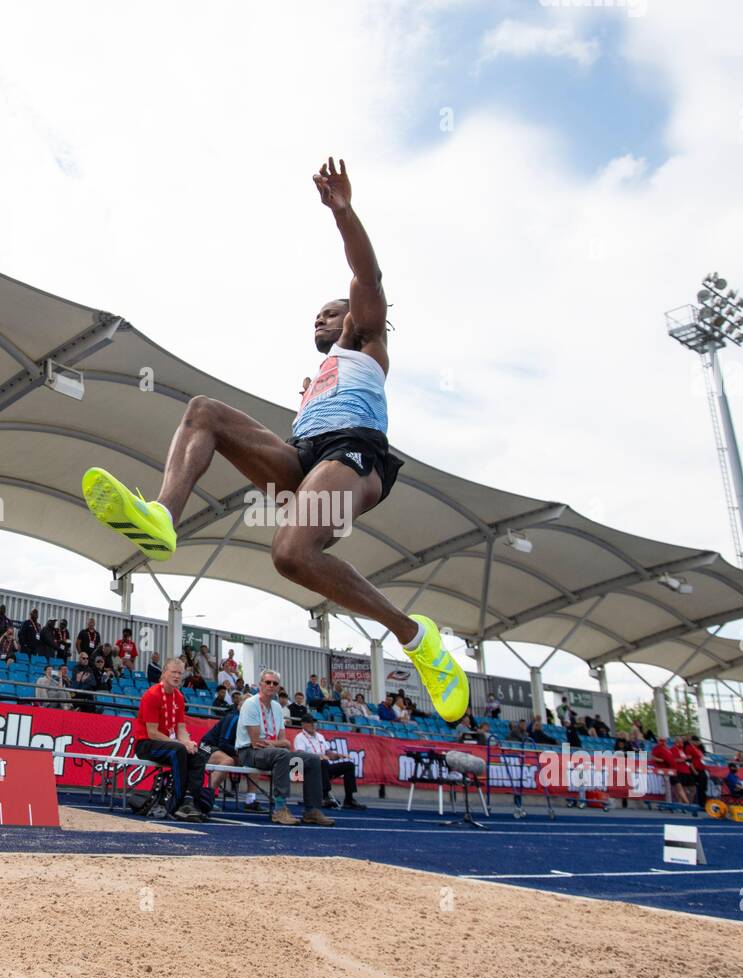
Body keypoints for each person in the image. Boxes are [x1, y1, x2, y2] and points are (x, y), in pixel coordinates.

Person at [82, 158, 468, 724]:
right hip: (307, 456)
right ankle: (163, 516)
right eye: (316, 313)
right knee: (204, 412)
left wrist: (343, 213)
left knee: (289, 553)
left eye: (329, 312)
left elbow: (369, 281)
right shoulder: (320, 378)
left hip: (354, 454)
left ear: (352, 320)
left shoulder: (364, 341)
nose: (321, 317)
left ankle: (416, 637)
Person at [235, 669, 333, 826]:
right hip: (249, 753)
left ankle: (312, 810)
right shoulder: (250, 704)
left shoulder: (277, 707)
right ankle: (279, 809)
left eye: (275, 683)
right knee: (282, 754)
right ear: (260, 684)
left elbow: (285, 741)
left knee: (313, 759)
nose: (271, 685)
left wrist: (275, 743)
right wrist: (279, 744)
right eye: (268, 682)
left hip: (272, 752)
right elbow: (256, 742)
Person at [133, 657, 210, 822]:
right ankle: (175, 803)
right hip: (145, 744)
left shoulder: (179, 697)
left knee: (198, 753)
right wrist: (181, 744)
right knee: (179, 751)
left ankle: (189, 801)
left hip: (169, 743)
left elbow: (181, 729)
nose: (177, 676)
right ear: (164, 673)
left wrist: (188, 742)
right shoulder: (152, 695)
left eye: (180, 673)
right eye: (173, 672)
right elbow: (152, 733)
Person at [294, 714, 365, 809]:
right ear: (303, 724)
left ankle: (349, 799)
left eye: (314, 722)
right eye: (310, 722)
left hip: (324, 767)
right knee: (322, 761)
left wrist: (338, 755)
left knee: (349, 765)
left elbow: (329, 753)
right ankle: (324, 796)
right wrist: (318, 757)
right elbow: (300, 755)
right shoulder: (299, 737)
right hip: (308, 768)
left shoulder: (320, 736)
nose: (313, 725)